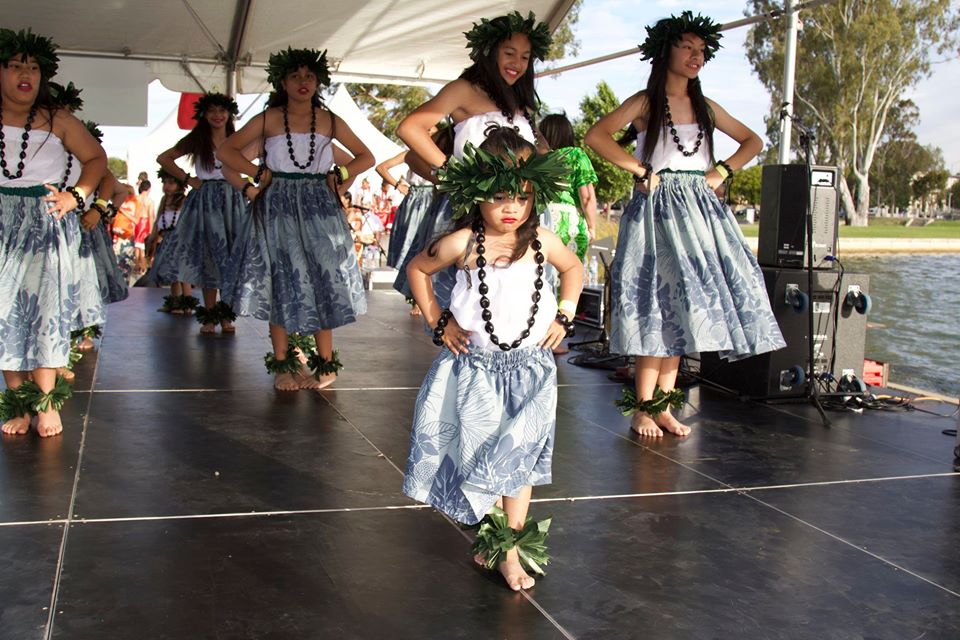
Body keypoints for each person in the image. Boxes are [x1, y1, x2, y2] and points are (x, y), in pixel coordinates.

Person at [585, 11, 786, 437]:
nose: (697, 57)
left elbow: (753, 140)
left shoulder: (706, 107)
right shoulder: (645, 103)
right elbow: (597, 136)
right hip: (657, 214)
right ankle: (642, 407)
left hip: (699, 215)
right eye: (687, 48)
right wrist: (639, 170)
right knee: (656, 306)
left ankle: (663, 406)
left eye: (702, 51)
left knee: (685, 307)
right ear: (666, 51)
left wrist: (723, 171)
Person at [402, 127, 583, 591]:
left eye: (521, 197)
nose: (511, 208)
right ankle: (495, 536)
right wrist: (438, 321)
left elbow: (574, 269)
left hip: (531, 371)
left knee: (517, 461)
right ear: (475, 193)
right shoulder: (463, 242)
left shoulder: (542, 238)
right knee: (483, 460)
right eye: (500, 196)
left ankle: (509, 549)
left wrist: (565, 313)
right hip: (477, 372)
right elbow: (417, 269)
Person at [218, 47, 373, 391]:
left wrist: (340, 174)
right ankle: (283, 363)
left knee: (321, 280)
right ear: (282, 81)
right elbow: (226, 153)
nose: (303, 82)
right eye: (294, 76)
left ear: (319, 81)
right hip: (278, 210)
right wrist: (256, 175)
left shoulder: (330, 121)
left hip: (319, 210)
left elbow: (367, 156)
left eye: (309, 75)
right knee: (281, 282)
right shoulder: (270, 119)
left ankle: (326, 362)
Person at [394, 11, 552, 311]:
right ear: (490, 52)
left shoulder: (520, 103)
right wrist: (450, 171)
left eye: (525, 57)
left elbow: (540, 151)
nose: (517, 63)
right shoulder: (464, 90)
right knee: (466, 305)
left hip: (518, 213)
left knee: (511, 305)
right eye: (509, 53)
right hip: (472, 211)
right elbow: (409, 127)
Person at [0, 28, 107, 437]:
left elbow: (95, 157)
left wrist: (77, 196)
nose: (25, 73)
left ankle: (45, 403)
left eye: (32, 67)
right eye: (14, 66)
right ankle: (19, 405)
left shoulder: (56, 119)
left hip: (45, 222)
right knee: (4, 312)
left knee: (44, 310)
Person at [157, 92, 246, 335]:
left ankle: (226, 315)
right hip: (206, 201)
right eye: (212, 111)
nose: (217, 116)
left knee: (230, 257)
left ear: (229, 113)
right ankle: (209, 315)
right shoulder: (197, 139)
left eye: (221, 111)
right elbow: (164, 158)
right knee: (209, 256)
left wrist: (247, 183)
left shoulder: (238, 138)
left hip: (233, 199)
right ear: (204, 115)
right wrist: (189, 180)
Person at [539, 113, 598, 261]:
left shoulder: (537, 161)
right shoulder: (576, 155)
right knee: (570, 276)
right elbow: (587, 197)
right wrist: (592, 227)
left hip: (540, 224)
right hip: (570, 224)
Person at [142, 169, 194, 313]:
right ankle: (175, 301)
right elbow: (158, 220)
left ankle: (187, 302)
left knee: (182, 273)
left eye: (171, 183)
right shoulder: (164, 201)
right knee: (172, 274)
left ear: (179, 185)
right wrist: (154, 237)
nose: (166, 186)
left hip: (181, 240)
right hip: (167, 240)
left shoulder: (183, 201)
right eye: (164, 182)